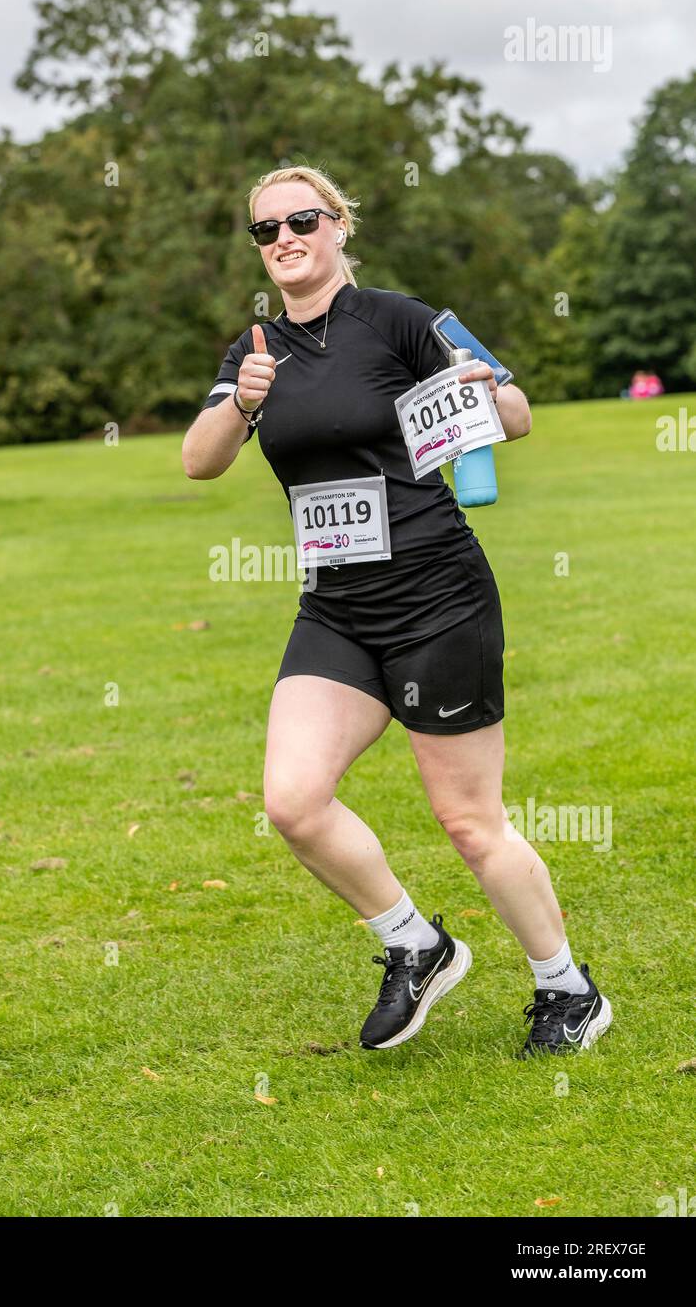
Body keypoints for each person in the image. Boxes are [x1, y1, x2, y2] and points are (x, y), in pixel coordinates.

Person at [182, 164, 612, 1057]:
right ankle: (414, 942)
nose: (284, 239)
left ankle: (567, 989)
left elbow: (518, 414)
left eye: (301, 220)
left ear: (338, 226)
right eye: (266, 230)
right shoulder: (257, 348)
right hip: (336, 607)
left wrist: (482, 387)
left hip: (436, 597)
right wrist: (243, 403)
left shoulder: (400, 320)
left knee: (468, 821)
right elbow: (199, 459)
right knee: (294, 801)